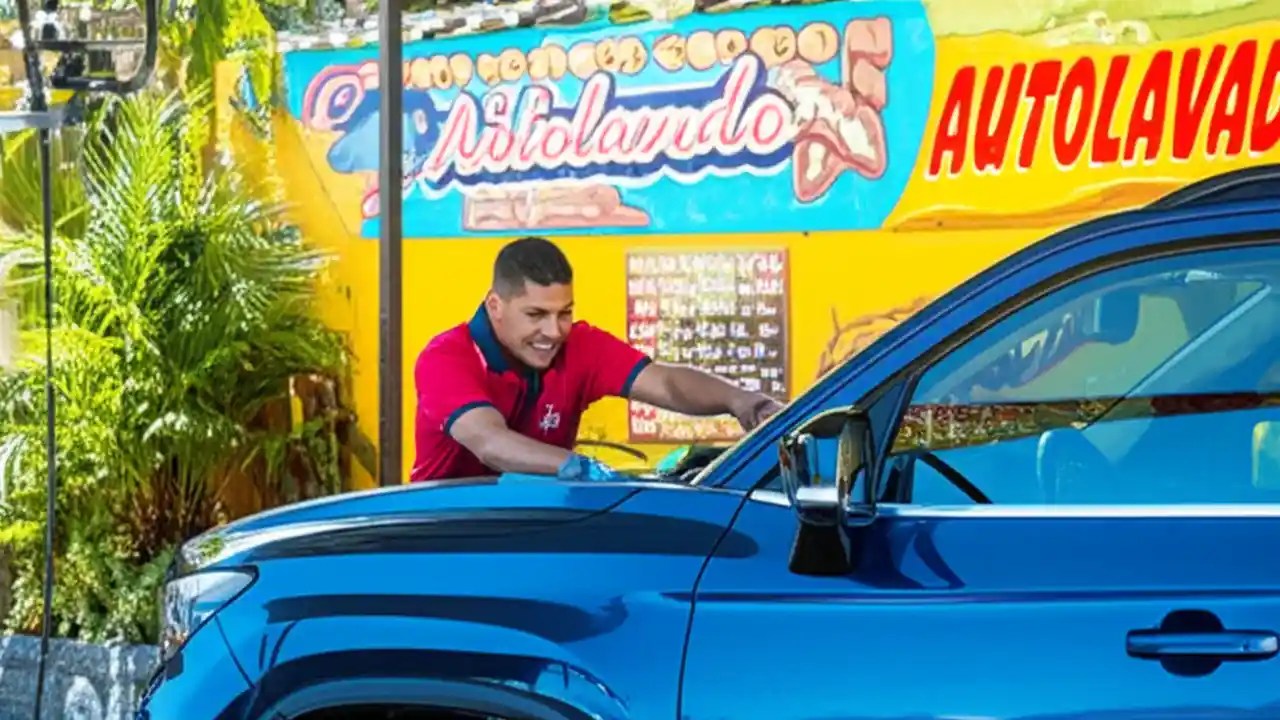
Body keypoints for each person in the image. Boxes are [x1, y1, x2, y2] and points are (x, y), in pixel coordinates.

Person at [411, 236, 785, 483]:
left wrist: (742, 400)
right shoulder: (446, 357)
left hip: (538, 528)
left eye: (564, 313)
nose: (554, 331)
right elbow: (491, 443)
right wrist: (582, 469)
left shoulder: (580, 345)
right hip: (445, 536)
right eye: (536, 315)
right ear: (495, 305)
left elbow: (666, 383)